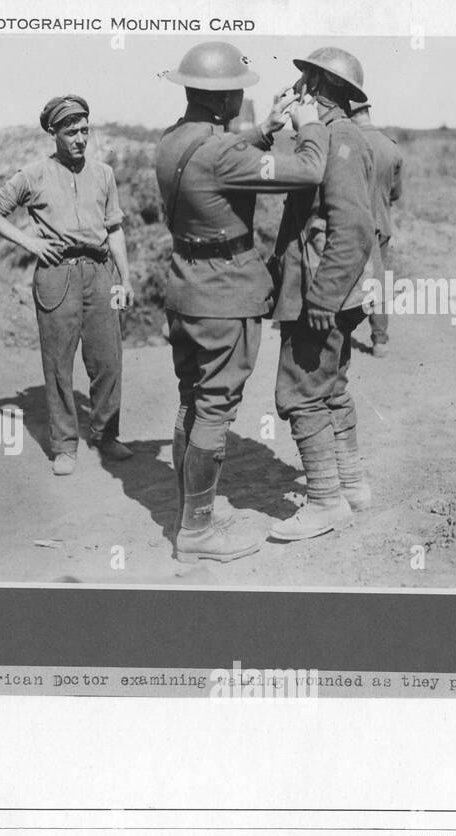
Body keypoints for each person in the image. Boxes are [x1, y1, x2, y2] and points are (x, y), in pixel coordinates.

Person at [154, 41, 328, 562]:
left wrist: (265, 128)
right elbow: (308, 170)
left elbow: (216, 159)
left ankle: (194, 510)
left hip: (185, 287)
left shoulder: (172, 140)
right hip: (224, 293)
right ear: (223, 98)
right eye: (238, 92)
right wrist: (309, 124)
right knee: (215, 407)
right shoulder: (224, 152)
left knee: (192, 399)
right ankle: (198, 534)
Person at [0, 95, 134, 476]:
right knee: (58, 364)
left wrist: (125, 278)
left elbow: (114, 228)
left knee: (108, 360)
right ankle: (64, 445)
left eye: (85, 130)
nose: (80, 139)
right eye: (71, 132)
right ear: (54, 133)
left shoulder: (104, 173)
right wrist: (30, 243)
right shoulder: (33, 174)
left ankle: (106, 434)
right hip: (56, 274)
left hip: (100, 273)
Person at [269, 47, 382, 540]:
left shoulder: (337, 138)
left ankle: (324, 502)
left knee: (299, 392)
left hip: (323, 293)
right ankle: (352, 486)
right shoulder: (341, 135)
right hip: (338, 291)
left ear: (318, 87)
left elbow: (353, 227)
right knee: (331, 387)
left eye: (303, 82)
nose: (296, 90)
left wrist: (320, 299)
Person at [349, 102, 403, 356]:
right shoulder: (390, 146)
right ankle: (379, 339)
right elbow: (396, 192)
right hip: (381, 223)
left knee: (344, 277)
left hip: (350, 225)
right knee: (378, 280)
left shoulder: (348, 143)